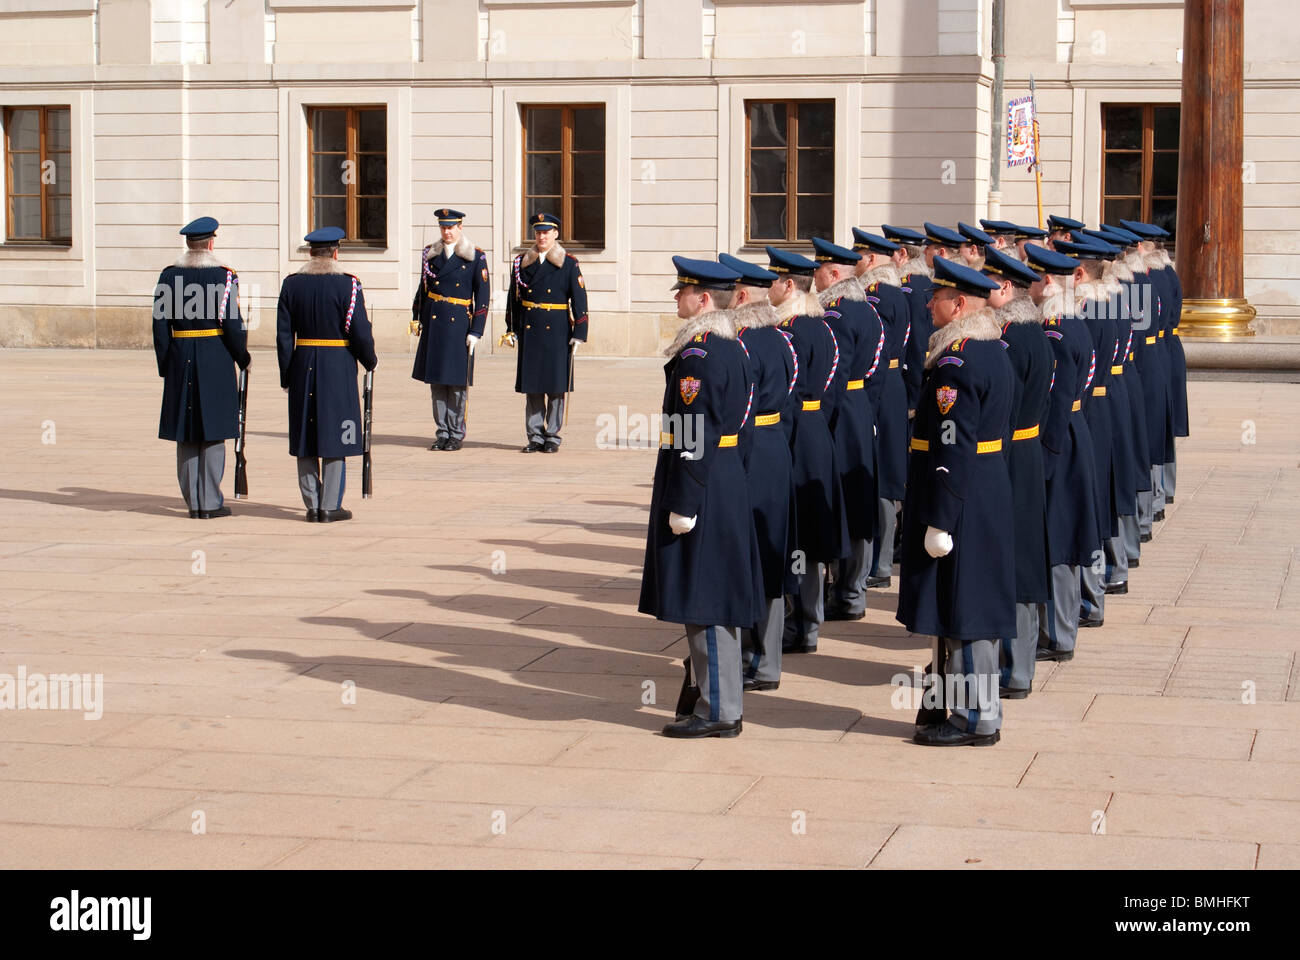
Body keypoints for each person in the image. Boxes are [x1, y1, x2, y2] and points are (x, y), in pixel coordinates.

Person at [638, 257, 760, 738]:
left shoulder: (699, 355)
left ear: (703, 299)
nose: (676, 298)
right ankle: (720, 702)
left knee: (704, 600)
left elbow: (694, 434)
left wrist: (685, 502)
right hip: (724, 478)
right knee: (714, 600)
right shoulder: (730, 346)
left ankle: (717, 709)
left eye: (682, 291)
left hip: (701, 485)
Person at [897, 257, 1014, 747]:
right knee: (966, 606)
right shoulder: (990, 350)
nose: (929, 303)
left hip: (958, 495)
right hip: (984, 489)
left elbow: (951, 444)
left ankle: (973, 718)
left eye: (937, 297)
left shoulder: (956, 363)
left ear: (958, 304)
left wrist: (940, 517)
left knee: (966, 609)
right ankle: (967, 709)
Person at [718, 253, 797, 693]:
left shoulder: (742, 341)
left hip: (747, 449)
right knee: (770, 552)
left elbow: (737, 406)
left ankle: (756, 658)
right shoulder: (782, 338)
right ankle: (765, 657)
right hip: (776, 447)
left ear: (742, 295)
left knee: (748, 554)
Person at [766, 247, 849, 656]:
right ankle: (809, 622)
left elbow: (783, 393)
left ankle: (797, 623)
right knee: (812, 538)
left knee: (796, 535)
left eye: (772, 281)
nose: (767, 289)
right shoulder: (822, 327)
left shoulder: (788, 332)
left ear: (787, 285)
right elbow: (834, 388)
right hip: (817, 432)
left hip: (794, 433)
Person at [1025, 243, 1102, 663]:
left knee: (1056, 540)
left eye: (1033, 278)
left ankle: (1056, 634)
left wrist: (1047, 455)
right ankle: (1058, 629)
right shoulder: (1068, 323)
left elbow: (1055, 397)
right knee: (1063, 537)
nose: (1028, 286)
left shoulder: (1054, 330)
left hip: (1059, 440)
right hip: (1073, 432)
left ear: (1048, 282)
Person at [981, 247, 1053, 698]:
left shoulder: (1007, 342)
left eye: (989, 285)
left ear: (1006, 287)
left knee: (1011, 562)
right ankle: (1018, 665)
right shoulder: (1034, 335)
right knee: (1022, 558)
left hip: (1007, 456)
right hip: (1027, 453)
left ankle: (1015, 668)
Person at [275, 227, 378, 522]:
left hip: (303, 362)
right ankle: (330, 504)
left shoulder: (292, 285)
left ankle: (312, 503)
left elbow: (284, 337)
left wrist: (286, 374)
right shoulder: (348, 285)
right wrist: (369, 360)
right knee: (338, 433)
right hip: (337, 364)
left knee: (305, 434)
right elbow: (360, 332)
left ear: (310, 253)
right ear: (335, 252)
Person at [153, 216, 251, 519]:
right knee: (214, 431)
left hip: (180, 356)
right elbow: (233, 325)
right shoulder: (225, 277)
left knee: (186, 432)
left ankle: (193, 502)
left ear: (188, 244)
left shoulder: (168, 276)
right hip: (215, 356)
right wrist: (242, 356)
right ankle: (209, 501)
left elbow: (159, 325)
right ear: (210, 244)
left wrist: (166, 364)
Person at [812, 236, 884, 623]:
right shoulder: (867, 310)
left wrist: (822, 419)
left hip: (840, 413)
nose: (815, 279)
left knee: (842, 502)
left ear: (835, 274)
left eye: (819, 272)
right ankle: (852, 590)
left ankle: (847, 591)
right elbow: (876, 368)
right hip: (860, 410)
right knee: (858, 501)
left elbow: (831, 375)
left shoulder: (835, 315)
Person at [1053, 238, 1118, 628]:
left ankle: (1090, 601)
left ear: (1080, 274)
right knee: (1088, 509)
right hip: (1092, 408)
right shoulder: (1105, 303)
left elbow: (1084, 370)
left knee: (1083, 511)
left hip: (1085, 411)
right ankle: (1091, 598)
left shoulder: (1085, 313)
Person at [852, 228, 909, 589]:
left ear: (871, 259)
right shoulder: (896, 292)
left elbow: (873, 351)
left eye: (858, 256)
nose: (854, 263)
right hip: (894, 385)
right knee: (885, 475)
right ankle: (879, 560)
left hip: (879, 387)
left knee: (882, 479)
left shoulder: (875, 296)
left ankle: (880, 562)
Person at [505, 212, 589, 453]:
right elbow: (514, 298)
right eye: (538, 232)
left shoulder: (568, 263)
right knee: (533, 386)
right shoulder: (522, 262)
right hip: (530, 329)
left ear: (555, 234)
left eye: (546, 232)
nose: (542, 236)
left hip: (558, 330)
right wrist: (511, 327)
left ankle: (552, 435)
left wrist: (579, 332)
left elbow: (580, 298)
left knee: (554, 385)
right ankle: (534, 435)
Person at [410, 208, 489, 451]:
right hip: (435, 324)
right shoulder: (430, 254)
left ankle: (456, 432)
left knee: (456, 384)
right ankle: (441, 431)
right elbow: (423, 289)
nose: (447, 231)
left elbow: (482, 297)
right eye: (443, 227)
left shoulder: (475, 256)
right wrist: (417, 317)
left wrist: (476, 330)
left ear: (460, 227)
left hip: (459, 325)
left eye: (451, 227)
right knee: (436, 383)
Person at [882, 224, 933, 415]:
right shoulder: (924, 282)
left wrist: (912, 397)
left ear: (902, 254)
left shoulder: (908, 289)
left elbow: (916, 343)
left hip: (912, 383)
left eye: (888, 253)